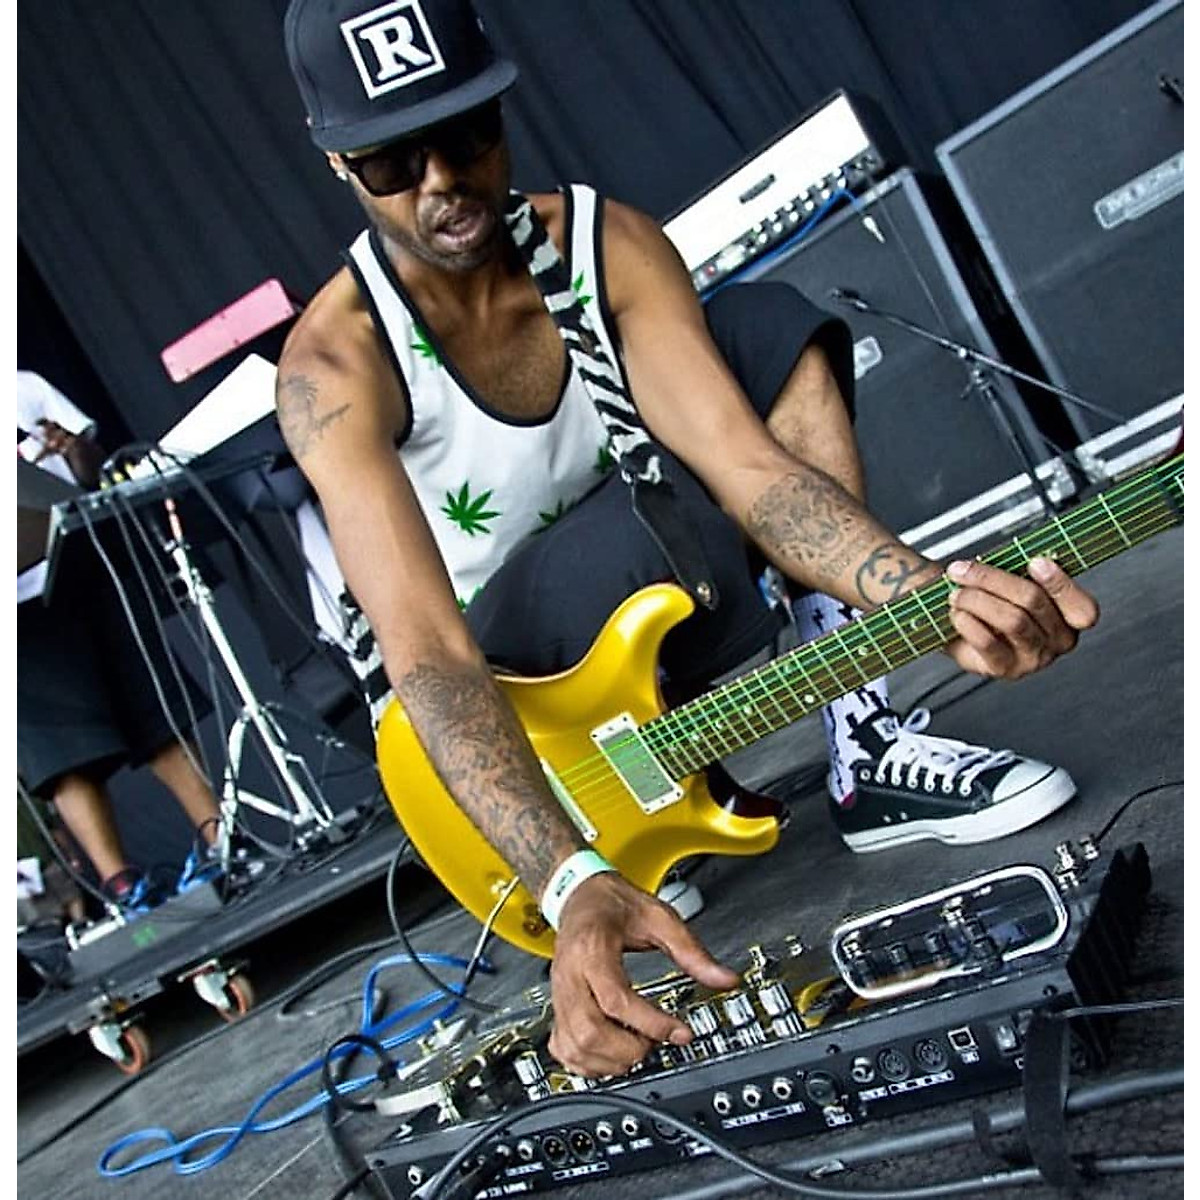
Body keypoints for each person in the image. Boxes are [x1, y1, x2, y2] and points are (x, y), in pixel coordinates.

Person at [278, 0, 1099, 1078]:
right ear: (340, 163)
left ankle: (866, 744)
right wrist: (565, 878)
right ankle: (615, 850)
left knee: (761, 325)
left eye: (464, 133)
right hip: (516, 702)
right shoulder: (335, 367)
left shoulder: (601, 244)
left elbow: (749, 473)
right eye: (394, 160)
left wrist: (921, 593)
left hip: (663, 604)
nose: (443, 181)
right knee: (642, 506)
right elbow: (426, 654)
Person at [16, 369, 224, 911]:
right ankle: (123, 887)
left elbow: (94, 470)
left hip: (81, 556)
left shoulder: (24, 387)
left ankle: (221, 836)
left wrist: (72, 449)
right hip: (17, 611)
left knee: (153, 707)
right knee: (61, 749)